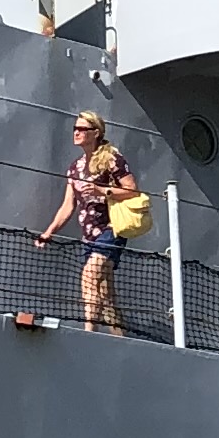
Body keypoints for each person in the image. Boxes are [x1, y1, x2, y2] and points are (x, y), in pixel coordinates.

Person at [38, 111, 142, 334]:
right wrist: (49, 232)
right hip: (89, 235)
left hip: (111, 229)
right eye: (75, 128)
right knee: (105, 293)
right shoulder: (75, 168)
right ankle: (121, 340)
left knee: (89, 275)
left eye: (82, 129)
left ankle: (89, 333)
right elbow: (68, 205)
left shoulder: (111, 158)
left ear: (95, 133)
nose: (76, 132)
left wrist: (101, 190)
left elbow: (132, 190)